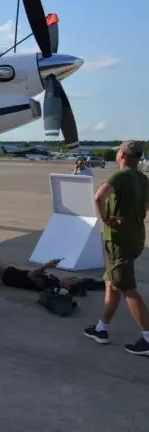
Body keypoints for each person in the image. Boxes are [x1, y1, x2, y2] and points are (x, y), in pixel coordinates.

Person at [83, 140, 149, 356]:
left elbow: (98, 197)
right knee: (112, 283)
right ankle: (101, 329)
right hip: (136, 238)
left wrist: (106, 219)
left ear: (122, 154)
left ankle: (148, 338)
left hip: (119, 241)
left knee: (127, 288)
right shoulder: (142, 178)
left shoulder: (121, 176)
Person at [0, 257, 104, 294]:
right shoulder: (53, 282)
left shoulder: (49, 285)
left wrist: (46, 265)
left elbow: (33, 275)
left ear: (68, 286)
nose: (70, 277)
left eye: (72, 280)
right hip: (15, 273)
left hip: (12, 278)